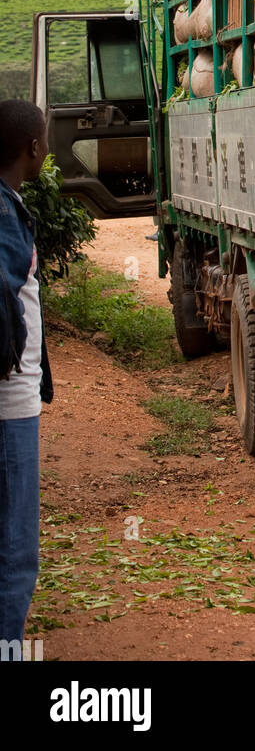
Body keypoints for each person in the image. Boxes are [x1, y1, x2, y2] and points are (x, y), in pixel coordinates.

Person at [0, 100, 51, 647]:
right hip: (9, 407)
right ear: (31, 148)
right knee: (16, 551)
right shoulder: (3, 213)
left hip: (15, 397)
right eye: (45, 139)